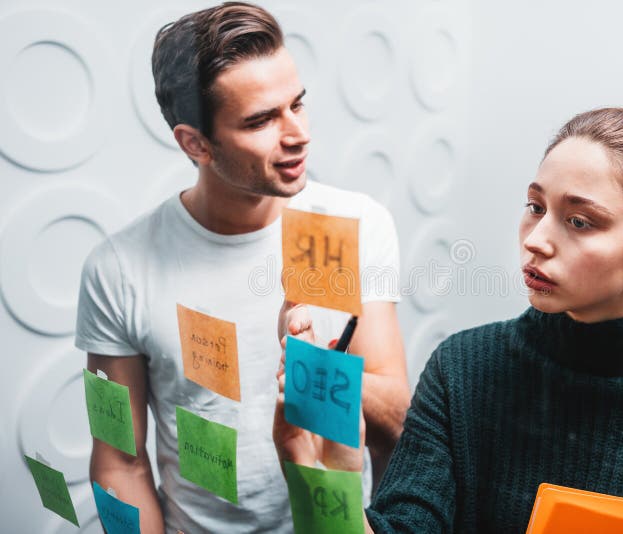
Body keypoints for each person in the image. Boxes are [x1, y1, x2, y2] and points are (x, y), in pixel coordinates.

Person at [274, 108, 623, 532]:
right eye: (534, 205)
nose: (535, 239)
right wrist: (332, 480)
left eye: (579, 221)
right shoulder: (463, 370)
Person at [75, 2, 410, 532]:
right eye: (261, 120)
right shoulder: (117, 269)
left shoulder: (354, 224)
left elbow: (397, 421)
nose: (297, 133)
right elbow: (120, 459)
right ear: (195, 143)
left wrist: (317, 371)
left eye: (297, 105)